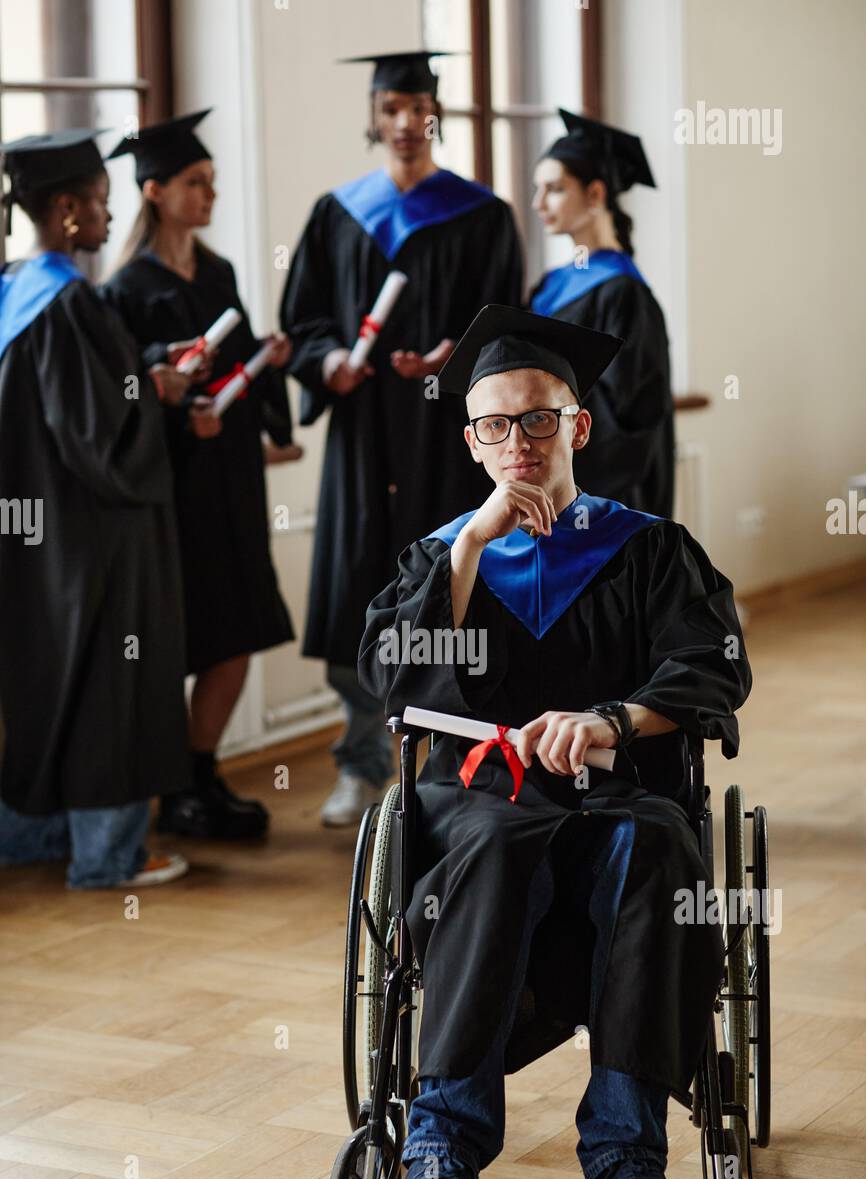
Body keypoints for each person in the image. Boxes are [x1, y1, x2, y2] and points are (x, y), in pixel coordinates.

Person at [357, 305, 752, 1179]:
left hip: (619, 792)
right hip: (476, 800)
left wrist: (612, 721)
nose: (519, 442)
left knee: (658, 843)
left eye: (538, 418)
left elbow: (712, 670)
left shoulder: (649, 547)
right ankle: (438, 1154)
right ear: (472, 441)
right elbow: (394, 677)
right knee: (493, 843)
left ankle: (629, 1161)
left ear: (577, 425)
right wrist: (470, 545)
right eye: (496, 424)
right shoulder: (441, 555)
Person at [280, 51, 524, 827]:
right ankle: (360, 764)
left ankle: (452, 765)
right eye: (391, 108)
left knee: (450, 592)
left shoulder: (482, 215)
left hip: (443, 441)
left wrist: (454, 359)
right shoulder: (337, 213)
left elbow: (506, 329)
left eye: (418, 108)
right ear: (375, 116)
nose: (405, 123)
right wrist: (329, 364)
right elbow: (303, 322)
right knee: (358, 592)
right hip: (361, 441)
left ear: (435, 116)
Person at [0, 128, 191, 888]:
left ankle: (31, 837)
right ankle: (109, 856)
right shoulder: (70, 305)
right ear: (67, 209)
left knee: (47, 678)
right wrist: (157, 389)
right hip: (97, 534)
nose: (110, 219)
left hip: (31, 537)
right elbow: (99, 437)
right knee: (115, 681)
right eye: (102, 205)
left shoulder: (13, 292)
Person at [102, 110, 297, 841]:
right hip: (172, 491)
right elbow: (122, 395)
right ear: (154, 190)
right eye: (194, 182)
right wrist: (183, 418)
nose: (209, 194)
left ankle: (200, 774)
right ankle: (167, 787)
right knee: (176, 634)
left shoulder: (217, 272)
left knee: (237, 630)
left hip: (232, 480)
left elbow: (237, 367)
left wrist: (262, 370)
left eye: (212, 181)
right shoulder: (124, 291)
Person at [530, 109, 675, 518]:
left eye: (554, 189)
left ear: (595, 195)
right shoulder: (549, 286)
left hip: (596, 491)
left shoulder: (624, 293)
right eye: (537, 189)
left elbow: (631, 418)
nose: (538, 203)